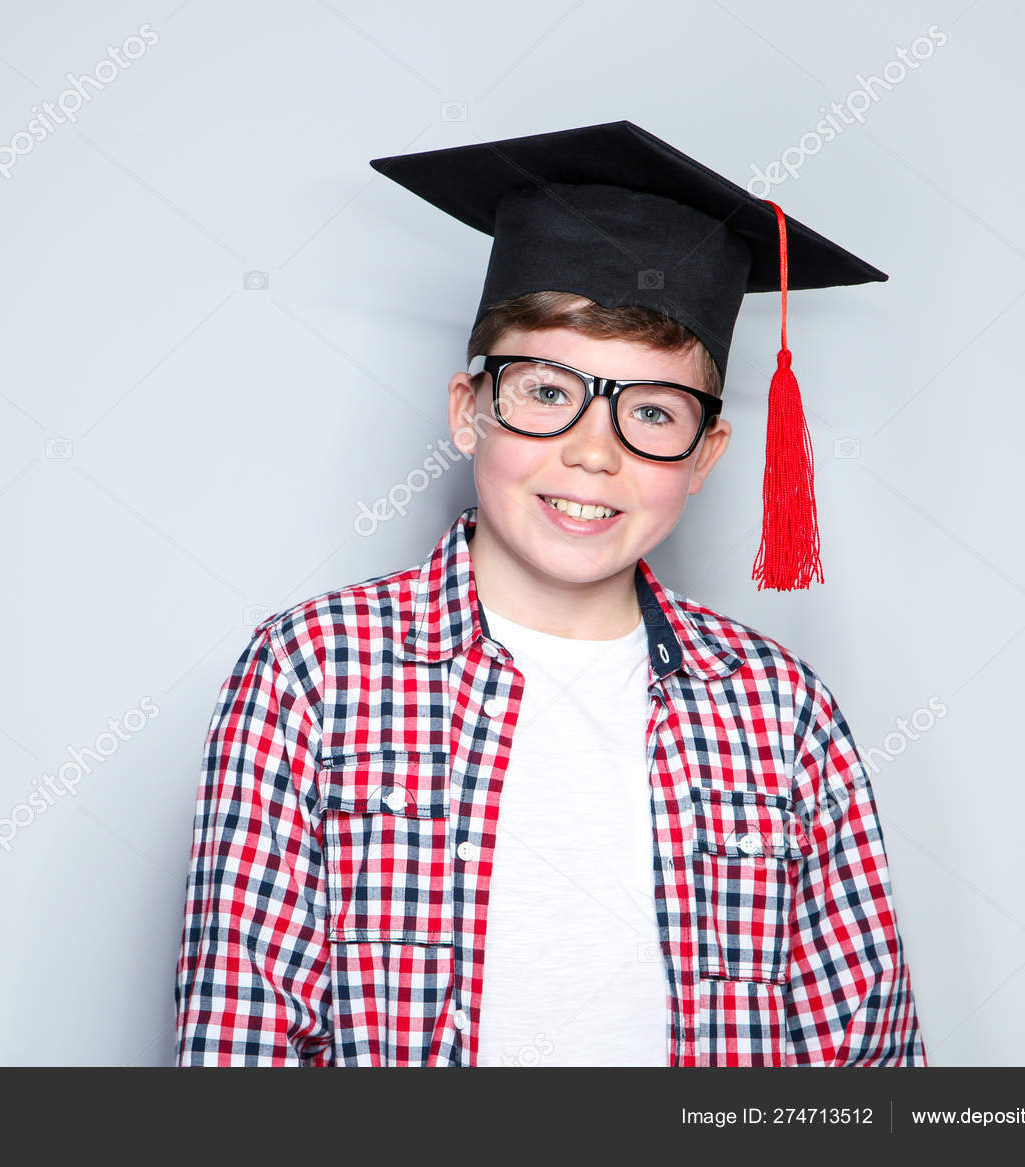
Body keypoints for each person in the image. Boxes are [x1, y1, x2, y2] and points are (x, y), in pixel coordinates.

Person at [174, 121, 926, 1066]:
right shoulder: (312, 673)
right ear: (469, 410)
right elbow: (238, 1047)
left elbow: (865, 1064)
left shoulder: (782, 713)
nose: (593, 451)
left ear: (706, 456)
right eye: (546, 390)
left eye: (654, 411)